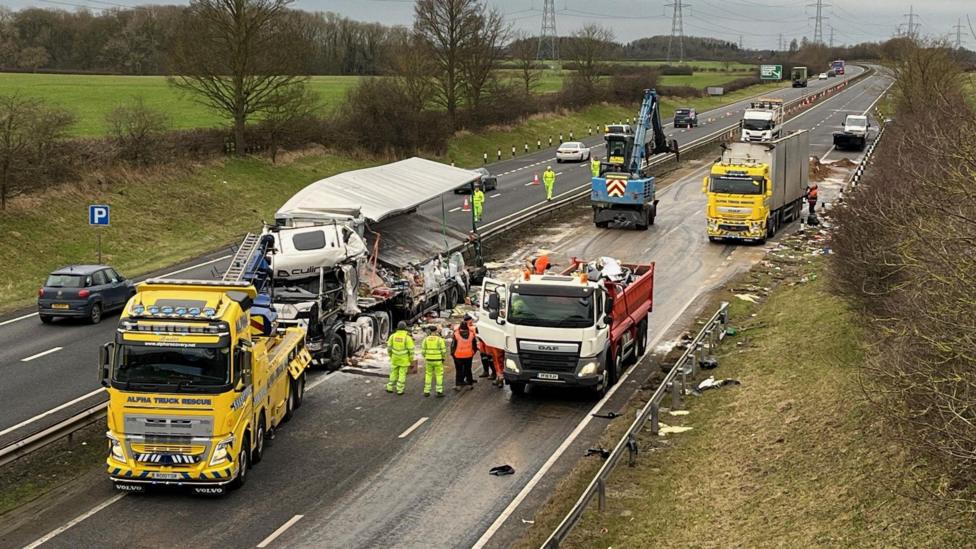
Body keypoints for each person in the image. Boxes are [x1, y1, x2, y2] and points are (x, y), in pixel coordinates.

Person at [386, 321, 415, 395]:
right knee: (402, 374)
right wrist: (411, 359)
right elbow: (411, 350)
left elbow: (389, 348)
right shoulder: (407, 338)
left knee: (393, 373)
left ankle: (389, 387)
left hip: (395, 358)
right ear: (405, 328)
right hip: (404, 359)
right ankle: (400, 389)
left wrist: (390, 355)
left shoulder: (393, 336)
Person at [421, 325, 447, 397]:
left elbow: (423, 351)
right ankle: (439, 391)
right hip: (438, 360)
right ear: (436, 331)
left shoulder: (425, 340)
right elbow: (443, 351)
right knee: (439, 375)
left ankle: (426, 391)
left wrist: (426, 356)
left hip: (429, 360)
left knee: (428, 374)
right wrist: (443, 358)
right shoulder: (439, 340)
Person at [451, 320, 477, 390]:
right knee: (468, 369)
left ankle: (458, 385)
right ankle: (469, 383)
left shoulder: (456, 334)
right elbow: (475, 346)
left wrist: (453, 354)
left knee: (459, 370)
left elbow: (453, 345)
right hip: (469, 355)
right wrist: (472, 353)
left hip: (458, 356)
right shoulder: (472, 334)